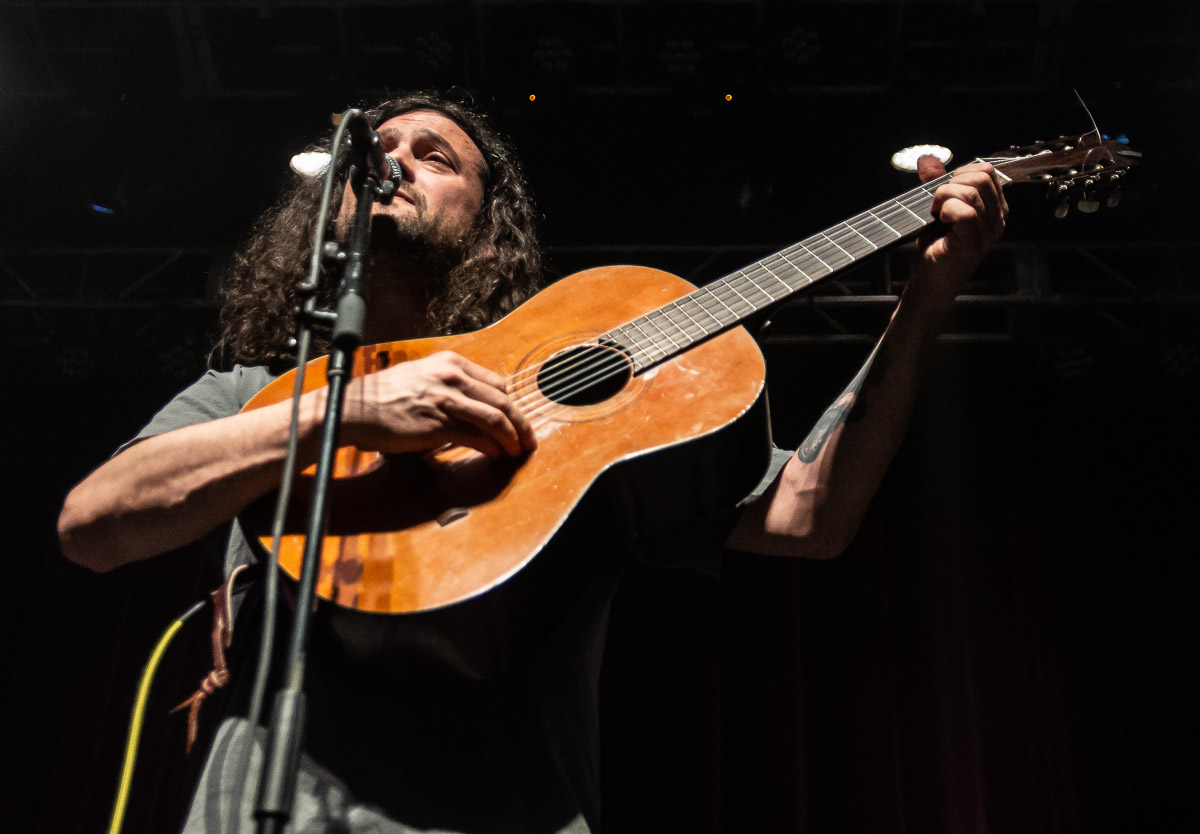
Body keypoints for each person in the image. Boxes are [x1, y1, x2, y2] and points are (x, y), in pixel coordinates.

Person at [57, 92, 1008, 833]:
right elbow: (93, 525)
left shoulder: (596, 422)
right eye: (377, 153)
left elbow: (811, 512)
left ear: (484, 223)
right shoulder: (251, 391)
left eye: (436, 156)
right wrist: (345, 411)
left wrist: (924, 298)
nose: (396, 164)